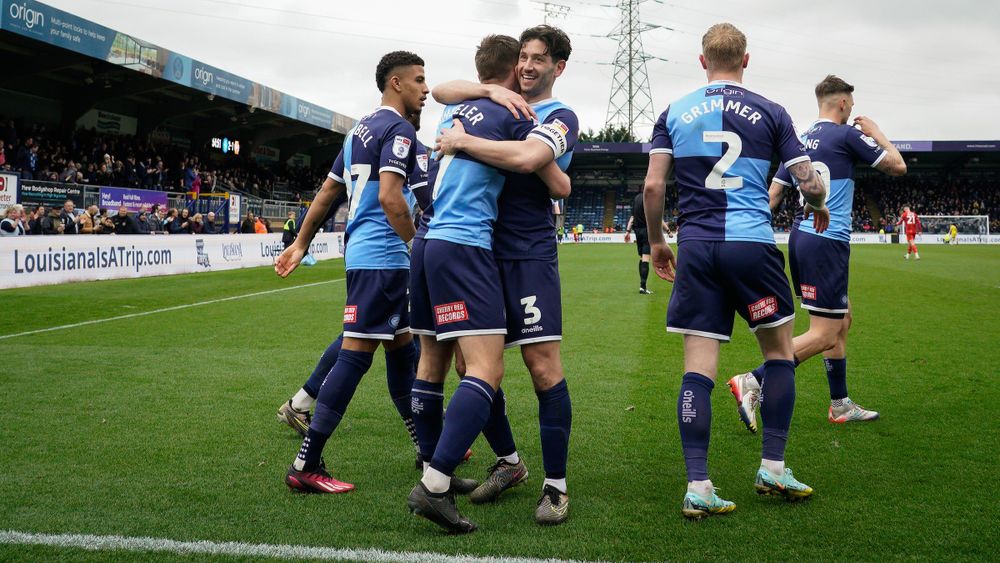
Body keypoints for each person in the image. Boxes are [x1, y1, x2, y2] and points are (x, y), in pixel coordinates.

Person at [643, 23, 826, 519]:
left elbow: (654, 187)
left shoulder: (674, 111)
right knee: (780, 355)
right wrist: (822, 206)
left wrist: (658, 242)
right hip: (751, 246)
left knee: (697, 369)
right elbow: (807, 182)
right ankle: (772, 465)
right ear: (746, 59)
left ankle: (698, 484)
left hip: (698, 248)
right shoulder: (772, 110)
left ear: (702, 61)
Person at [427, 25, 577, 527]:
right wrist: (489, 89)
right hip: (480, 251)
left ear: (558, 67)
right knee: (473, 371)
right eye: (525, 58)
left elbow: (534, 160)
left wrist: (464, 142)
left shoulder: (559, 116)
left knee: (540, 366)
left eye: (540, 59)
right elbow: (443, 91)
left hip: (527, 255)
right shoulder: (499, 102)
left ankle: (555, 488)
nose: (530, 66)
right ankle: (510, 462)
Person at [274, 50, 428, 497]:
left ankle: (427, 448)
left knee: (402, 349)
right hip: (383, 255)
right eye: (418, 80)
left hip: (364, 254)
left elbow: (328, 191)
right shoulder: (398, 129)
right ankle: (307, 461)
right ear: (395, 83)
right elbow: (392, 200)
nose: (425, 89)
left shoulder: (358, 130)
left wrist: (301, 242)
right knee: (356, 355)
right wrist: (418, 246)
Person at [728, 75, 906, 429]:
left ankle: (839, 404)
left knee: (843, 319)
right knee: (825, 332)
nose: (853, 110)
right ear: (842, 103)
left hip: (800, 239)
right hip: (827, 240)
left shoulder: (800, 141)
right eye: (851, 105)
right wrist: (876, 132)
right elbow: (898, 166)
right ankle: (754, 379)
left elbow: (773, 196)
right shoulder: (848, 134)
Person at [625, 192, 668, 295]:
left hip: (637, 231)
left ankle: (642, 287)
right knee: (645, 258)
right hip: (647, 231)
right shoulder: (650, 198)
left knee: (642, 258)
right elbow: (658, 218)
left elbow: (632, 217)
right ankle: (643, 287)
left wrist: (627, 231)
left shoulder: (637, 198)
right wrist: (668, 230)